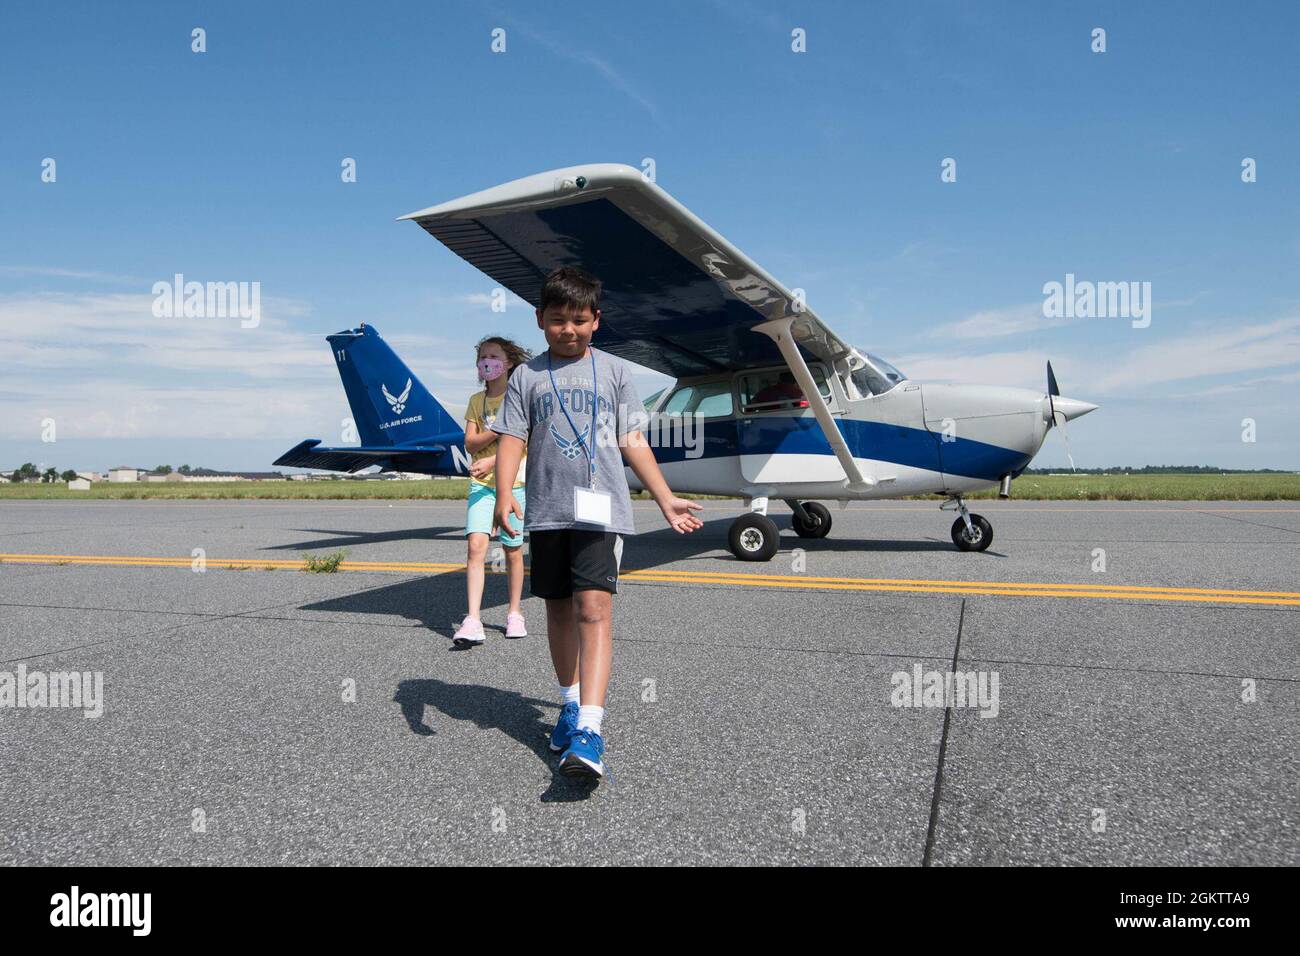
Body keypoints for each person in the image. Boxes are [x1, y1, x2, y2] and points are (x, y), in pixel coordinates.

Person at [490, 266, 703, 780]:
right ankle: (567, 703)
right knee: (559, 612)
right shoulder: (526, 376)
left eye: (580, 320)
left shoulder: (614, 372)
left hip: (601, 511)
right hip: (546, 511)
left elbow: (633, 440)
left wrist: (666, 499)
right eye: (558, 320)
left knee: (594, 610)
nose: (569, 329)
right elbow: (512, 440)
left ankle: (590, 727)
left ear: (597, 321)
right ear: (539, 319)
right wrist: (502, 495)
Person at [453, 335, 532, 646]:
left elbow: (525, 442)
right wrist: (498, 429)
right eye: (482, 357)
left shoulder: (519, 397)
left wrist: (493, 461)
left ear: (508, 362)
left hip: (515, 484)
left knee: (513, 550)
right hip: (481, 488)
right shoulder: (477, 401)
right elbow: (470, 442)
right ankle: (473, 618)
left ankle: (514, 612)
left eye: (493, 356)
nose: (487, 361)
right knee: (475, 549)